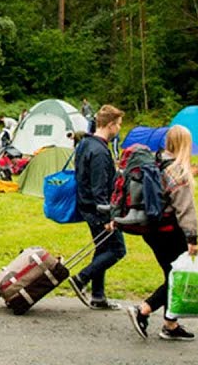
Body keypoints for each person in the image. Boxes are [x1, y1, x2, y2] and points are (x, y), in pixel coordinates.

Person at [126, 124, 198, 341]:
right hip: (169, 230)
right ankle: (144, 309)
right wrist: (192, 238)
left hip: (151, 228)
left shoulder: (156, 160)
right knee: (178, 277)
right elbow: (185, 208)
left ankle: (170, 323)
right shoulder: (177, 171)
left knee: (172, 274)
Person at [67, 104, 126, 311]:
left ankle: (98, 296)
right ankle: (81, 278)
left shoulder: (85, 144)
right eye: (118, 124)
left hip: (86, 205)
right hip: (98, 210)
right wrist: (108, 216)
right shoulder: (100, 152)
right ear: (110, 125)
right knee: (118, 250)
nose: (119, 129)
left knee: (102, 249)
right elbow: (99, 188)